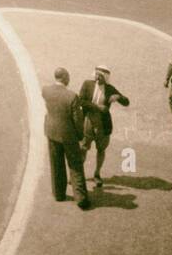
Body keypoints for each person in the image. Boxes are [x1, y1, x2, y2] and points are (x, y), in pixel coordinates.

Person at [41, 68, 89, 210]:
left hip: (51, 132)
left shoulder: (46, 91)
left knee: (56, 164)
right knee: (75, 165)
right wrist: (80, 137)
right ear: (65, 77)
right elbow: (77, 121)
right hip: (68, 136)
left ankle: (59, 194)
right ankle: (80, 198)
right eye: (68, 77)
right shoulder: (72, 96)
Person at [78, 64, 129, 187]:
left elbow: (126, 102)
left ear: (105, 77)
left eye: (100, 76)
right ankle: (79, 174)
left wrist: (119, 97)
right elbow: (81, 101)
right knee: (83, 148)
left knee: (101, 149)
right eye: (96, 74)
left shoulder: (110, 89)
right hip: (88, 120)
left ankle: (97, 174)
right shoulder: (87, 84)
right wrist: (96, 107)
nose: (97, 77)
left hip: (103, 124)